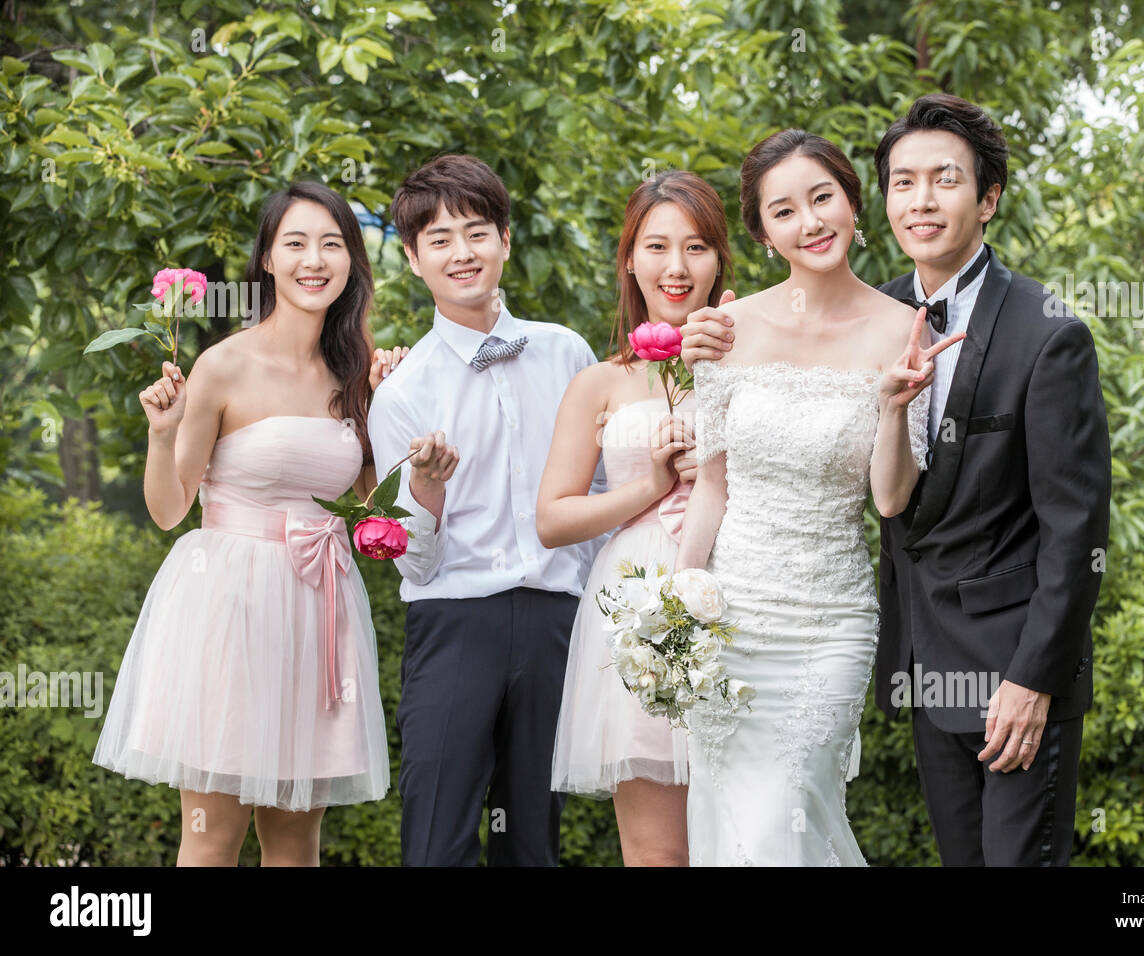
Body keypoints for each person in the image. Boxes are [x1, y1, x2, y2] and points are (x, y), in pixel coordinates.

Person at [682, 95, 1112, 866]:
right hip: (921, 659)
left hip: (1014, 670)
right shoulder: (871, 312)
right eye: (903, 181)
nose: (921, 199)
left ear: (987, 199)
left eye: (944, 180)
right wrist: (702, 342)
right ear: (881, 199)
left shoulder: (1048, 333)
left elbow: (1076, 530)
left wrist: (1035, 679)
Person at [93, 181, 406, 866]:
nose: (313, 259)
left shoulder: (355, 372)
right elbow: (171, 510)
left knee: (296, 842)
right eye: (295, 243)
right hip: (228, 605)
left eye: (331, 244)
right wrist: (162, 433)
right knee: (211, 836)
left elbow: (369, 504)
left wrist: (391, 408)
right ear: (267, 258)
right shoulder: (223, 365)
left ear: (352, 259)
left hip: (319, 607)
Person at [673, 130, 962, 865]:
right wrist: (678, 603)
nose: (811, 221)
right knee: (736, 824)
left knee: (788, 807)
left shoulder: (904, 330)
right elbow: (713, 486)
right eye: (785, 211)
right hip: (730, 615)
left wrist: (895, 407)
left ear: (853, 201)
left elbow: (891, 500)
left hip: (830, 621)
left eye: (823, 197)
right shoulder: (726, 332)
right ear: (765, 234)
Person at [368, 153, 605, 866]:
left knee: (532, 837)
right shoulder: (401, 391)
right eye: (438, 240)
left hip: (556, 619)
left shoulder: (568, 355)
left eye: (476, 232)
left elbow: (597, 496)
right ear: (413, 259)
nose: (461, 252)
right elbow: (410, 554)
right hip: (453, 619)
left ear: (505, 238)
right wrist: (430, 492)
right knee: (436, 835)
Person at [537, 170, 732, 866]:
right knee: (656, 852)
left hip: (739, 581)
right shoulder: (600, 381)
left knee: (751, 832)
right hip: (637, 599)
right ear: (629, 258)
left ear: (720, 259)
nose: (676, 268)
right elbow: (553, 520)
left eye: (697, 247)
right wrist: (647, 486)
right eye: (656, 246)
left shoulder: (753, 366)